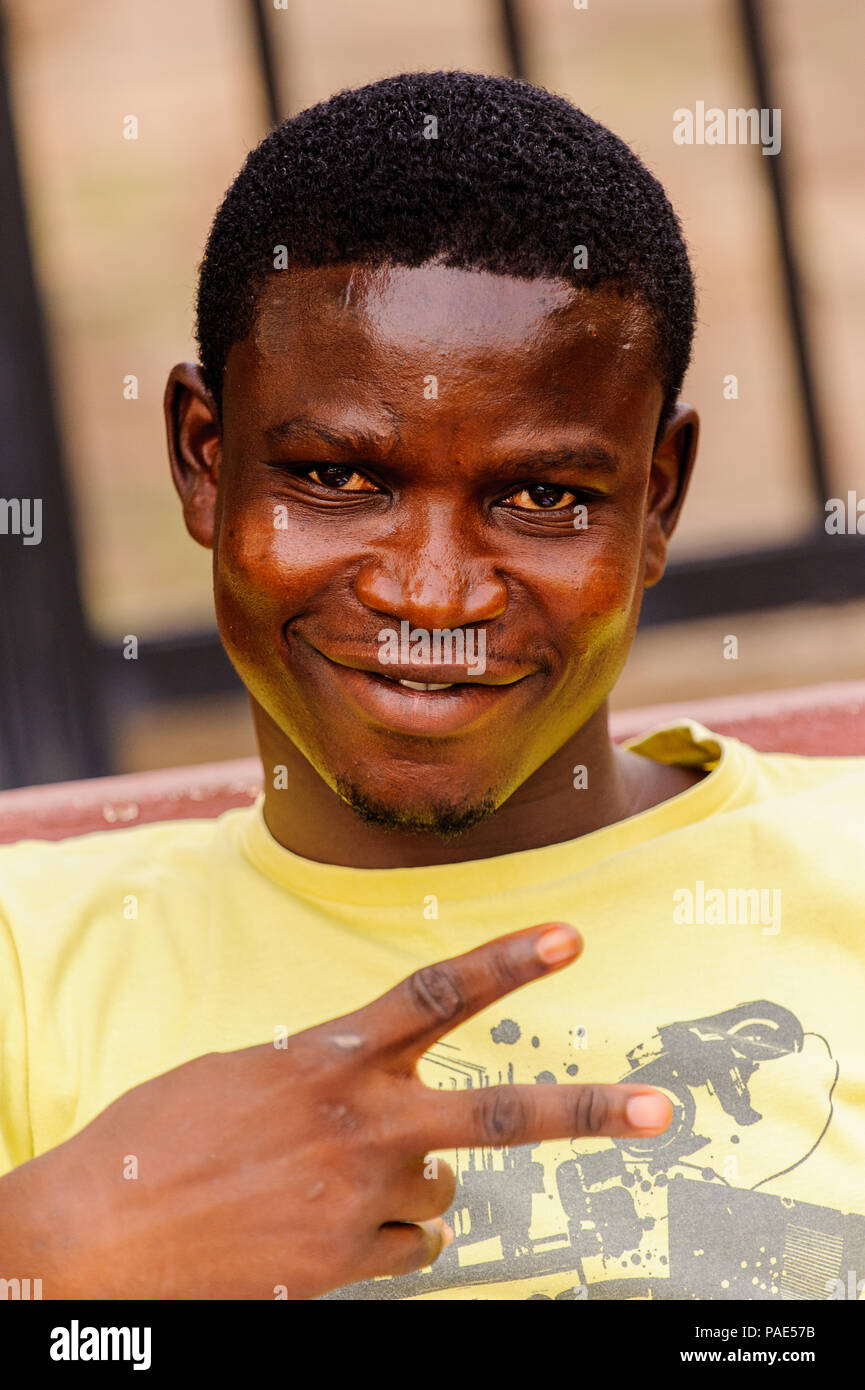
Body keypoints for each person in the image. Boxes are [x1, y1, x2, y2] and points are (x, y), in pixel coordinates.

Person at [1, 70, 863, 1303]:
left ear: (658, 496)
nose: (433, 595)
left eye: (544, 498)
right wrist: (54, 1256)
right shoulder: (27, 958)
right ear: (205, 460)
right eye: (338, 479)